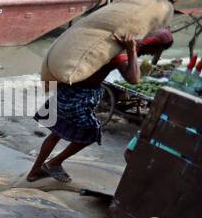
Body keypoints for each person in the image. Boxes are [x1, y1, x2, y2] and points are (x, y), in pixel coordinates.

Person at [26, 28, 173, 183]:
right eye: (155, 51)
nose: (151, 55)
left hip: (68, 89)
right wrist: (131, 50)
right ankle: (53, 163)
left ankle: (35, 171)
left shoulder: (115, 41)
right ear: (153, 45)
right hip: (79, 96)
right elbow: (134, 79)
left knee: (56, 132)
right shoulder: (122, 50)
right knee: (90, 134)